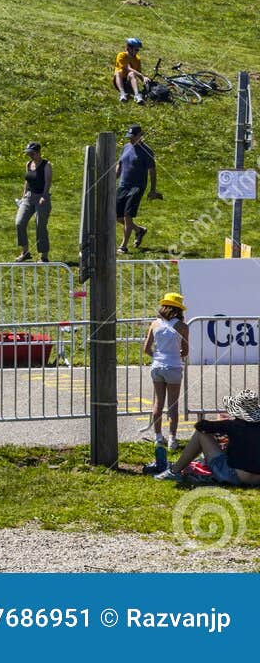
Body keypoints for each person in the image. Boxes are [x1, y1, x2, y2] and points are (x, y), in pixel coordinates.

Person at [157, 388, 260, 486]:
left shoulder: (232, 425)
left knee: (200, 434)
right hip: (257, 479)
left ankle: (174, 471)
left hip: (234, 476)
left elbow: (201, 426)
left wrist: (220, 426)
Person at [142, 292, 189, 449]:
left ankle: (157, 437)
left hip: (157, 366)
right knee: (173, 404)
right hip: (173, 366)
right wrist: (176, 355)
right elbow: (186, 350)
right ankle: (172, 438)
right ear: (178, 310)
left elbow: (146, 348)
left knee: (158, 403)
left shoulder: (155, 324)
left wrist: (156, 356)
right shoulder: (182, 326)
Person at [116, 123, 160, 253]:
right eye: (129, 136)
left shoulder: (147, 151)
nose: (130, 139)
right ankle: (139, 230)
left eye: (133, 136)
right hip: (124, 185)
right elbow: (120, 164)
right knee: (116, 216)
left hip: (137, 187)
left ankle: (123, 246)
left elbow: (152, 171)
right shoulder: (125, 148)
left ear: (140, 136)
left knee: (127, 215)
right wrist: (113, 178)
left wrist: (152, 189)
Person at [14, 142, 52, 263]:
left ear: (39, 153)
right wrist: (23, 196)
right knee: (19, 223)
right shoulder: (29, 164)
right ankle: (25, 252)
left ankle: (44, 256)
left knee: (40, 225)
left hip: (42, 198)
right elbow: (27, 181)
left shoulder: (47, 165)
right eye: (29, 153)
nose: (30, 156)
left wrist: (44, 196)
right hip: (29, 198)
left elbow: (48, 182)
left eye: (32, 153)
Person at [114, 37, 146, 104]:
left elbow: (138, 72)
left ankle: (137, 95)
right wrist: (141, 76)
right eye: (136, 49)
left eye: (138, 50)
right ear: (129, 48)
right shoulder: (121, 55)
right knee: (118, 72)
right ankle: (122, 93)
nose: (137, 51)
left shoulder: (137, 59)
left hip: (129, 81)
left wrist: (144, 79)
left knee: (132, 74)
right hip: (119, 79)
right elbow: (127, 68)